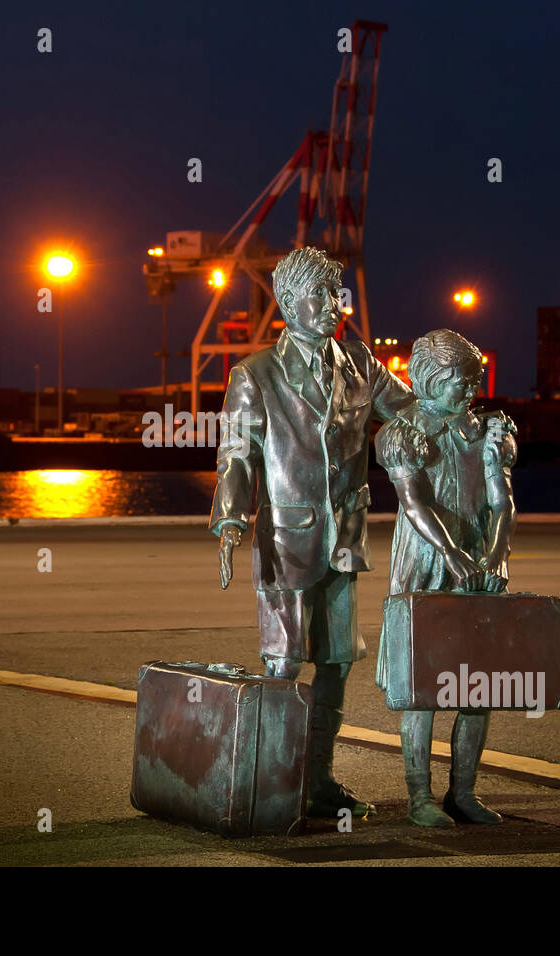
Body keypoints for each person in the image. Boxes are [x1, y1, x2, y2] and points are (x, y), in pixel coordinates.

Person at [210, 246, 414, 818]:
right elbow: (238, 453)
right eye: (320, 294)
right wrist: (229, 517)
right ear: (289, 302)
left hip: (345, 537)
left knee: (337, 660)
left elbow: (413, 411)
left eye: (335, 293)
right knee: (283, 660)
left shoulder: (362, 364)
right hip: (287, 538)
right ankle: (277, 780)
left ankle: (318, 779)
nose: (333, 305)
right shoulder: (256, 374)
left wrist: (468, 417)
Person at [374, 328, 518, 826]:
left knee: (478, 685)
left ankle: (464, 792)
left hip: (475, 562)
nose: (470, 391)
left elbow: (503, 502)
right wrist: (450, 550)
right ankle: (420, 797)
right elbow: (413, 502)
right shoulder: (401, 433)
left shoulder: (489, 432)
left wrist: (496, 553)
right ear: (433, 378)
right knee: (424, 687)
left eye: (474, 381)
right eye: (461, 381)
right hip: (426, 561)